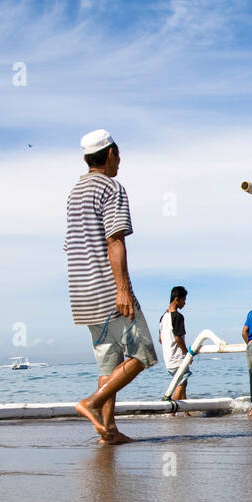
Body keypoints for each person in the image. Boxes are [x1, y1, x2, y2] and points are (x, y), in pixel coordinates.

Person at [65, 129, 158, 444]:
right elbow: (114, 239)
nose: (120, 161)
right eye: (118, 155)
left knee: (109, 360)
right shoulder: (111, 188)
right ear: (109, 154)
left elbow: (72, 246)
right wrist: (122, 289)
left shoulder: (75, 193)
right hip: (107, 288)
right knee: (143, 354)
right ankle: (90, 403)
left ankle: (108, 430)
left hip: (81, 291)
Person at [158, 286, 190, 401]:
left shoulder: (163, 317)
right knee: (181, 384)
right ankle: (172, 413)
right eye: (183, 300)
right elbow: (178, 338)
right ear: (177, 299)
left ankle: (186, 412)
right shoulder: (178, 317)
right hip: (177, 358)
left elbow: (160, 339)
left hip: (168, 358)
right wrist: (187, 354)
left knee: (182, 383)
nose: (185, 303)